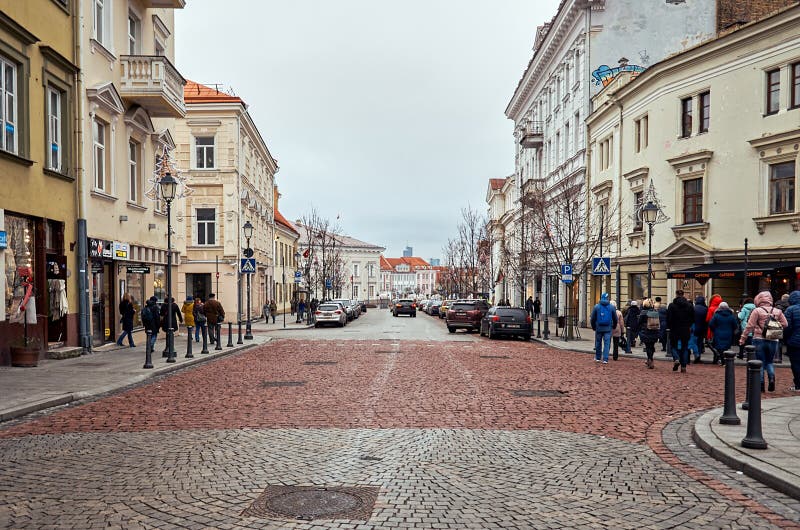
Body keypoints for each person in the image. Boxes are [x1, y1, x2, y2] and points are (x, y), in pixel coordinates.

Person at [740, 291, 787, 392]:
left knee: (759, 362)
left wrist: (743, 338)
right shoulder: (777, 311)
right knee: (769, 361)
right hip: (773, 339)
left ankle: (760, 384)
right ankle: (771, 378)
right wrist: (774, 328)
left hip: (759, 339)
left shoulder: (757, 311)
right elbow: (785, 324)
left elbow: (749, 326)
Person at [667, 289, 694, 373]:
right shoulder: (689, 306)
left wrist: (670, 326)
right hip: (685, 329)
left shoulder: (671, 305)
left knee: (673, 346)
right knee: (685, 347)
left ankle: (676, 358)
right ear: (683, 294)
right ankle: (683, 366)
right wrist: (689, 325)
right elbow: (693, 318)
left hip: (675, 328)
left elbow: (669, 318)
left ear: (676, 295)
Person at [590, 293, 617, 364]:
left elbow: (592, 318)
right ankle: (605, 359)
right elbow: (615, 318)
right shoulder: (611, 307)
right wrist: (614, 326)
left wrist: (593, 327)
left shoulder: (596, 307)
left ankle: (598, 357)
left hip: (598, 328)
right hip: (608, 328)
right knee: (607, 343)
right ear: (608, 298)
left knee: (598, 343)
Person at [782, 291, 800, 392]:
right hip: (795, 340)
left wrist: (786, 339)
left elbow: (787, 327)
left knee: (796, 364)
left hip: (795, 341)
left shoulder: (790, 309)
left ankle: (798, 384)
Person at [638, 299, 660, 369]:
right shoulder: (655, 312)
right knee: (652, 346)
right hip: (654, 331)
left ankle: (650, 359)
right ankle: (650, 359)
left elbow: (639, 322)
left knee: (648, 347)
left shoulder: (643, 312)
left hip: (646, 331)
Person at [692, 295, 708, 363]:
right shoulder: (706, 309)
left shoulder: (694, 308)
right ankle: (699, 355)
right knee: (700, 342)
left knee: (694, 342)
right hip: (702, 328)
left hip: (695, 327)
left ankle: (696, 355)